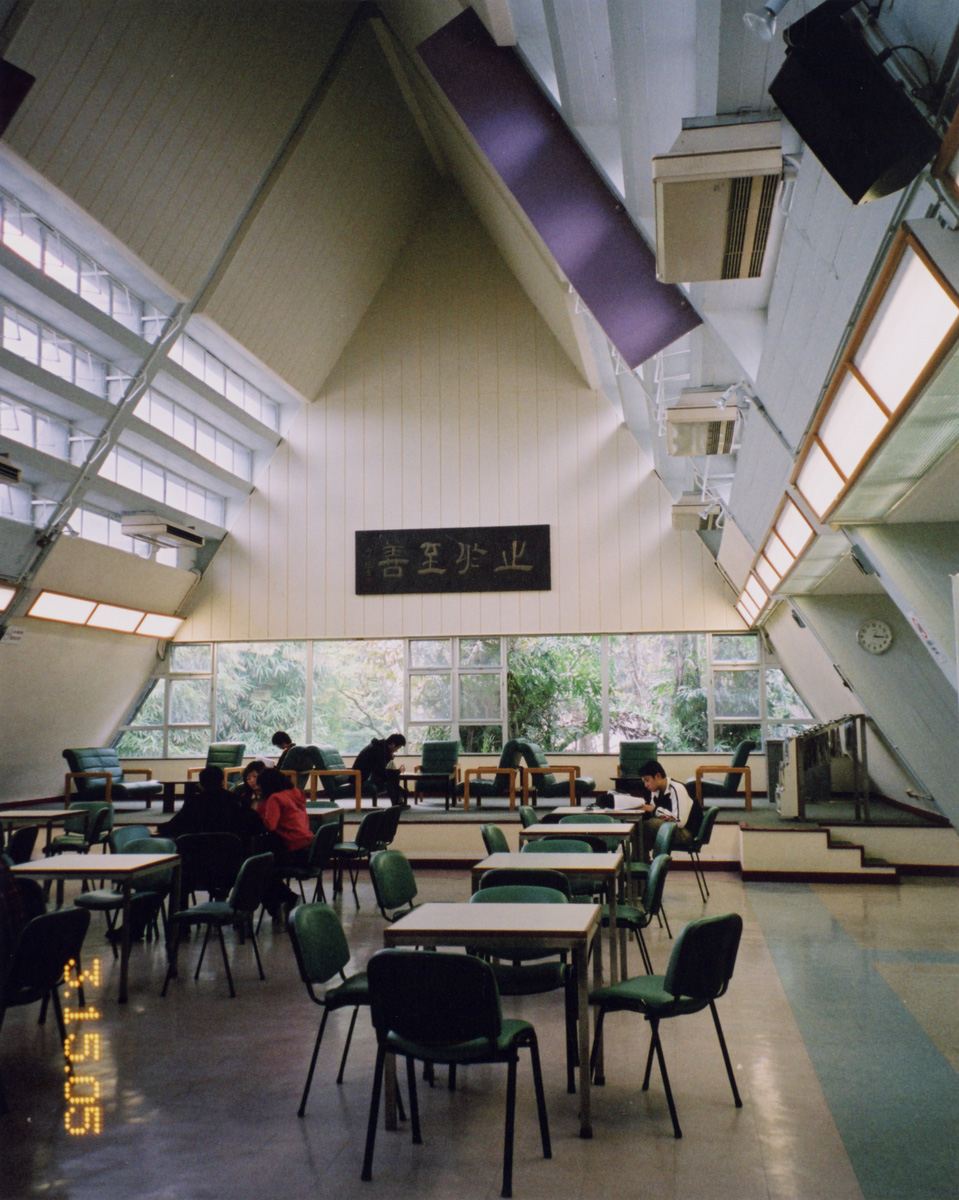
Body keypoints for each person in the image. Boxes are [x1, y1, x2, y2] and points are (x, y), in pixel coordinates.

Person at [254, 767, 313, 923]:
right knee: (261, 870)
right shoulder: (297, 793)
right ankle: (282, 904)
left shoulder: (275, 798)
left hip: (290, 848)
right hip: (306, 850)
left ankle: (285, 901)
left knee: (258, 870)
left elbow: (270, 826)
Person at [159, 765, 265, 845]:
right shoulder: (237, 801)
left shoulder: (192, 803)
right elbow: (257, 826)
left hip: (197, 863)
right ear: (223, 782)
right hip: (232, 861)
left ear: (201, 786)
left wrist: (160, 827)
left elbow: (172, 827)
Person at [634, 759, 699, 861]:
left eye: (647, 780)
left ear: (658, 776)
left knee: (643, 828)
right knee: (639, 829)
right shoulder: (655, 791)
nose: (645, 785)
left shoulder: (677, 789)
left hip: (686, 833)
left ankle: (645, 869)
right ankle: (640, 869)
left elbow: (679, 821)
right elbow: (654, 814)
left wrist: (654, 809)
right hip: (671, 829)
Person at [351, 732, 406, 805]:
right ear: (392, 744)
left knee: (392, 776)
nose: (396, 750)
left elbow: (379, 768)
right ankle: (398, 799)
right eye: (397, 747)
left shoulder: (380, 747)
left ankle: (398, 799)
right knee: (392, 776)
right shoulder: (378, 750)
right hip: (361, 778)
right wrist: (398, 771)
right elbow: (380, 772)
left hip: (367, 775)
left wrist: (389, 758)